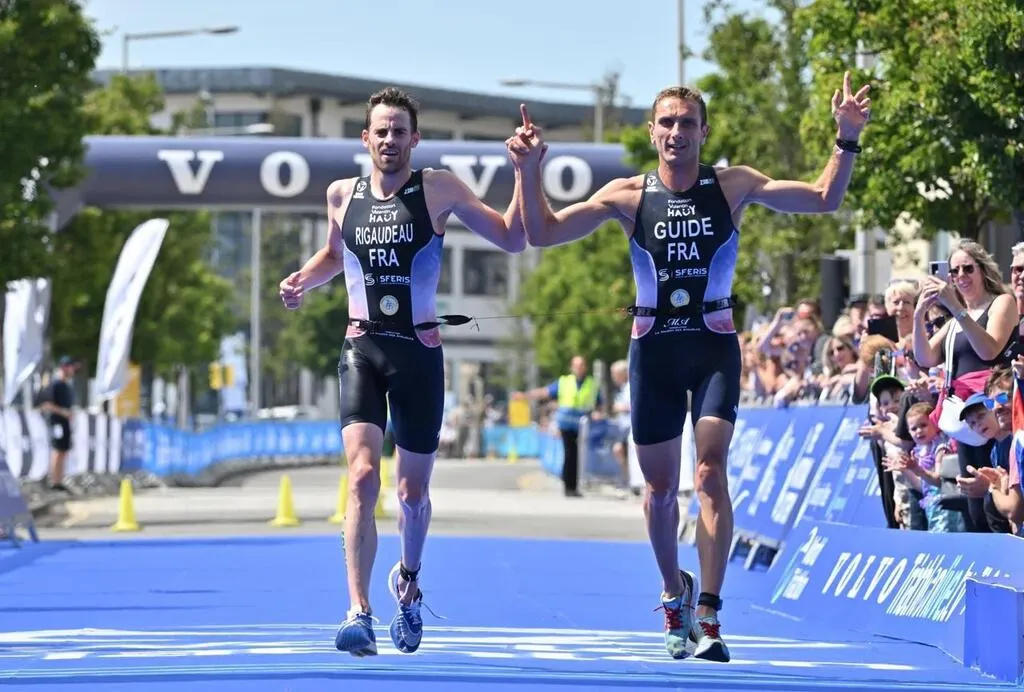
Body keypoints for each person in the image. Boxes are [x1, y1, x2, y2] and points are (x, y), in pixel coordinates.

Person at [506, 71, 872, 662]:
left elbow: (825, 199)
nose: (678, 132)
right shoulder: (627, 195)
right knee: (657, 489)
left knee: (707, 472)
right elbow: (542, 233)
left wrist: (847, 137)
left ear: (705, 132)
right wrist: (527, 170)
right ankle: (674, 591)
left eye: (688, 123)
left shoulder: (732, 186)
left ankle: (710, 613)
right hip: (653, 348)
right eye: (668, 123)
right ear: (652, 132)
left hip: (712, 343)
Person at [279, 87, 527, 657]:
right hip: (362, 349)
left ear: (415, 139)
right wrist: (300, 281)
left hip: (419, 354)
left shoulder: (438, 188)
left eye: (399, 131)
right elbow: (335, 256)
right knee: (364, 477)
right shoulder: (342, 194)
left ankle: (409, 583)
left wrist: (522, 170)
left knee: (413, 493)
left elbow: (511, 237)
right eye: (380, 131)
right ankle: (358, 612)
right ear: (365, 138)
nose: (389, 140)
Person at [38, 356, 78, 492]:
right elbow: (46, 404)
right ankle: (54, 481)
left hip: (65, 422)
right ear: (65, 367)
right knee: (57, 450)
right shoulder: (55, 384)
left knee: (63, 451)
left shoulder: (67, 385)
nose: (73, 370)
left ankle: (59, 480)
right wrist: (62, 412)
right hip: (57, 422)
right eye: (71, 367)